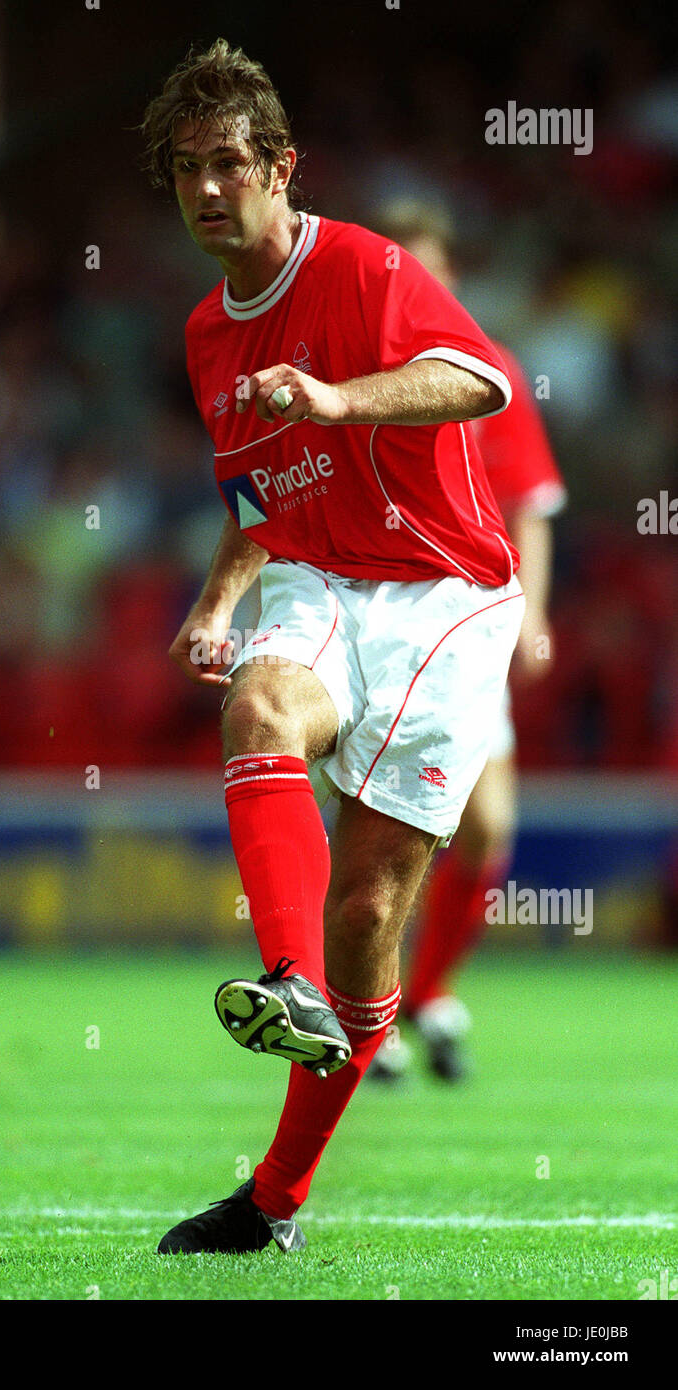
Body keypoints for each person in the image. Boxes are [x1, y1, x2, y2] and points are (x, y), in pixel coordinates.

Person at [141, 39, 525, 1255]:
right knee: (255, 707)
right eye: (186, 171)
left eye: (229, 165)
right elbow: (258, 498)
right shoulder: (209, 333)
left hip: (444, 592)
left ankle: (274, 1199)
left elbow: (479, 385)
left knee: (368, 913)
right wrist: (216, 601)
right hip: (317, 577)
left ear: (281, 167)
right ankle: (286, 978)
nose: (208, 190)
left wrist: (341, 397)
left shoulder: (363, 266)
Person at [366, 202, 566, 1082]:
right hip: (375, 618)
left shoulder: (490, 373)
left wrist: (533, 611)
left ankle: (427, 989)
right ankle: (364, 1015)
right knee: (372, 837)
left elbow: (528, 503)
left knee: (484, 827)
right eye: (398, 272)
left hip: (471, 616)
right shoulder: (349, 377)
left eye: (429, 272)